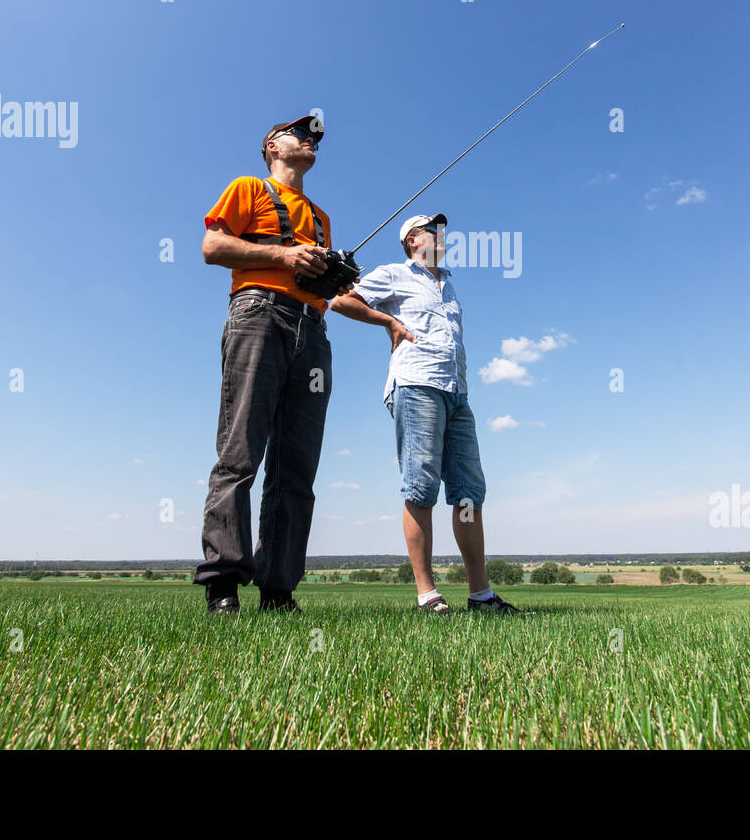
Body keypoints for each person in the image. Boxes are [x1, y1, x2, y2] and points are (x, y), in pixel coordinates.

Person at [193, 115, 352, 614]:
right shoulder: (249, 188)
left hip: (313, 331)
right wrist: (283, 259)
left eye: (316, 137)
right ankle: (223, 583)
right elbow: (213, 247)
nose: (310, 139)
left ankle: (278, 588)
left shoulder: (322, 218)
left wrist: (334, 276)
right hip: (259, 314)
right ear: (271, 146)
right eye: (299, 132)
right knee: (240, 452)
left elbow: (324, 284)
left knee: (297, 466)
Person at [330, 213, 521, 615]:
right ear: (413, 239)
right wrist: (389, 321)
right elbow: (341, 300)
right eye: (433, 230)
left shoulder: (448, 285)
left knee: (469, 492)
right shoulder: (395, 274)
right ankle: (426, 594)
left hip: (457, 392)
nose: (442, 235)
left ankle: (480, 595)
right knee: (420, 486)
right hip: (416, 384)